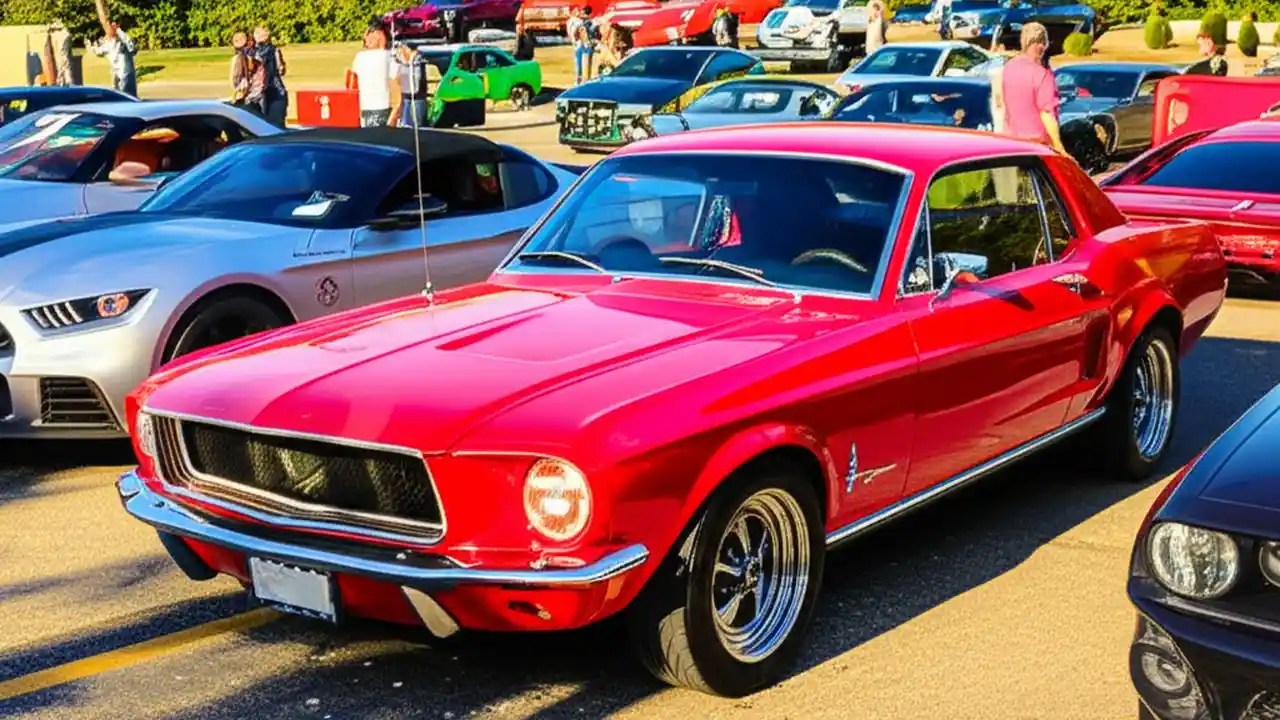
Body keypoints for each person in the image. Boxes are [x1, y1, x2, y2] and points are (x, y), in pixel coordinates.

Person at [999, 22, 1065, 155]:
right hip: (1038, 146)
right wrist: (1059, 147)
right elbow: (1046, 113)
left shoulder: (1009, 68)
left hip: (1011, 141)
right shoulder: (1042, 74)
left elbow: (1001, 103)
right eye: (1045, 44)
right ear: (1040, 45)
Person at [352, 26, 402, 127]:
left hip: (378, 108)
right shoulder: (361, 57)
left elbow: (396, 85)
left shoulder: (388, 57)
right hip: (367, 108)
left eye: (372, 33)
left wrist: (395, 110)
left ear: (381, 35)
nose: (367, 37)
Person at [87, 0, 137, 97]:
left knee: (129, 97)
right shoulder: (107, 44)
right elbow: (98, 51)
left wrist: (119, 31)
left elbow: (132, 47)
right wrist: (92, 46)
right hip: (116, 75)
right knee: (117, 96)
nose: (109, 30)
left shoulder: (123, 42)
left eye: (112, 27)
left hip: (126, 75)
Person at [253, 26, 288, 126]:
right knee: (277, 126)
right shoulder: (275, 50)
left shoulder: (251, 52)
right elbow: (281, 69)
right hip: (275, 91)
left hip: (258, 93)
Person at [230, 32, 266, 116]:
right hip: (253, 92)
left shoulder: (243, 55)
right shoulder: (248, 54)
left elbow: (250, 68)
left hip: (252, 93)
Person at [394, 42, 428, 127]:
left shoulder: (419, 59)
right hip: (405, 97)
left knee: (417, 126)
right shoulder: (399, 59)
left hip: (417, 97)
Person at [568, 6, 595, 85]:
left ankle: (579, 80)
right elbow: (574, 33)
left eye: (580, 11)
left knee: (580, 64)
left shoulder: (576, 21)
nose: (579, 13)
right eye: (577, 11)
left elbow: (573, 33)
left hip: (580, 45)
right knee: (584, 63)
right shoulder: (578, 21)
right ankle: (582, 80)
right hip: (583, 45)